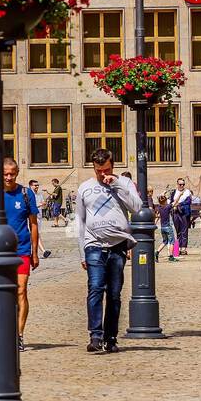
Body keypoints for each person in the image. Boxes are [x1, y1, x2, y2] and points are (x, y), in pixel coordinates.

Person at [75, 149, 140, 354]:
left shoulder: (124, 183)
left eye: (107, 170)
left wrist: (117, 184)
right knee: (95, 287)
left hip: (117, 245)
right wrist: (82, 252)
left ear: (113, 165)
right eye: (99, 171)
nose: (103, 174)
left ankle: (111, 337)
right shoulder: (85, 187)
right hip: (93, 244)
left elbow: (136, 207)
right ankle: (95, 335)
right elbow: (80, 221)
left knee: (114, 293)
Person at [0, 157, 39, 351]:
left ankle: (18, 335)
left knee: (21, 290)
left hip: (21, 250)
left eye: (11, 174)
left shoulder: (26, 194)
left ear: (17, 173)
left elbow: (33, 224)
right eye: (5, 174)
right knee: (0, 293)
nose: (8, 177)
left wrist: (34, 252)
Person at [169, 177, 193, 256]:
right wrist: (173, 206)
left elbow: (188, 201)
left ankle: (183, 248)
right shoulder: (174, 192)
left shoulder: (187, 192)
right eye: (180, 184)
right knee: (177, 230)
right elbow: (171, 201)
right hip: (175, 212)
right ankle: (177, 248)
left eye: (183, 184)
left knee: (184, 230)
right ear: (177, 184)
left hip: (184, 213)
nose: (182, 186)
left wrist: (179, 204)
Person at [154, 193, 176, 263]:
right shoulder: (167, 207)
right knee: (172, 241)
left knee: (165, 242)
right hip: (168, 227)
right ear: (165, 201)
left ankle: (157, 252)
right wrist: (180, 195)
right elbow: (175, 202)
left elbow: (160, 198)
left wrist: (163, 194)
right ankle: (171, 256)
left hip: (162, 228)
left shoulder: (159, 208)